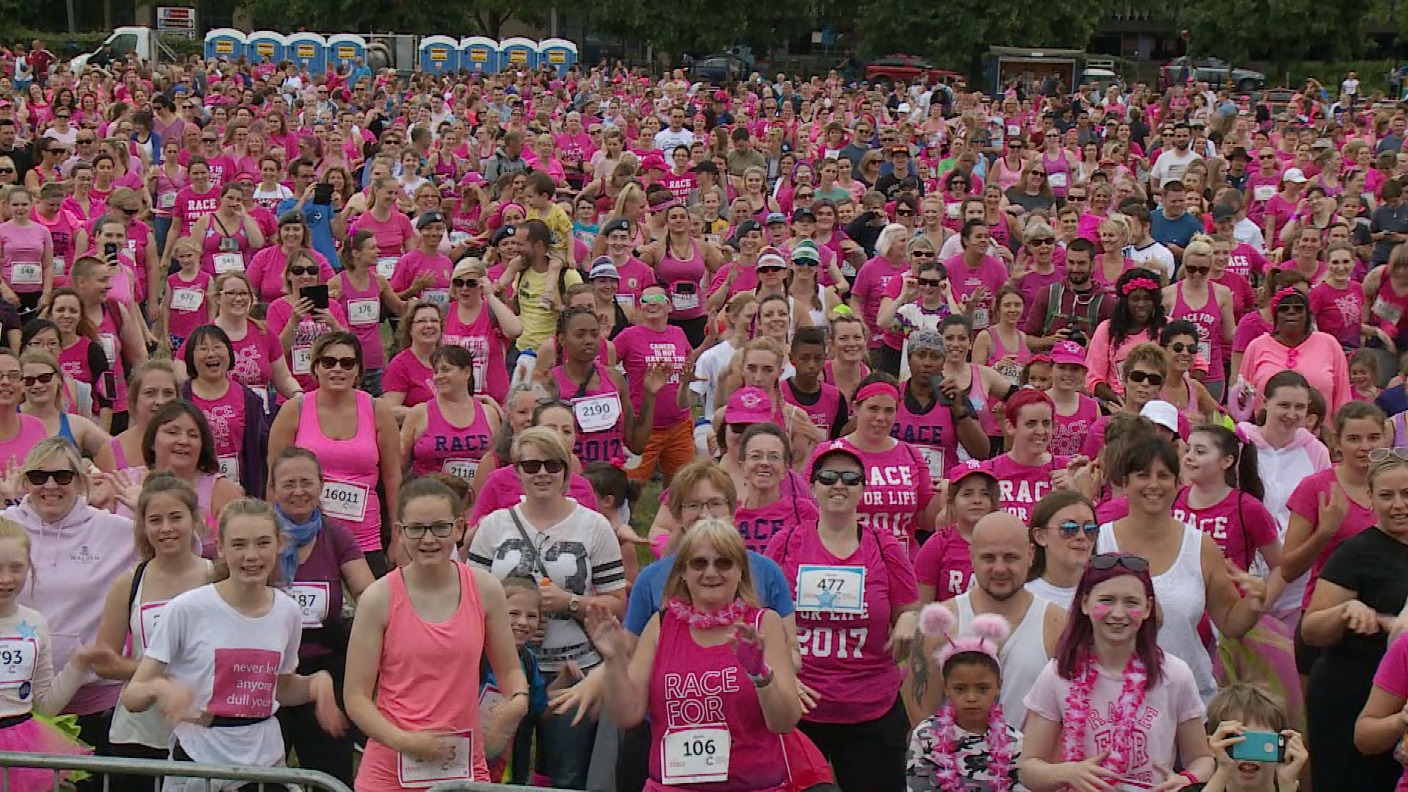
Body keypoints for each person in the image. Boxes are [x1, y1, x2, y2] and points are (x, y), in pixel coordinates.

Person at [119, 499, 347, 783]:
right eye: (239, 545)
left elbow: (278, 686)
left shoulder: (287, 611)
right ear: (222, 548)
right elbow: (133, 696)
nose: (251, 556)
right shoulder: (187, 609)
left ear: (280, 544)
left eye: (262, 543)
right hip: (201, 761)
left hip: (264, 764)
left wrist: (314, 684)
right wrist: (160, 688)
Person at [591, 518, 802, 792]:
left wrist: (760, 675)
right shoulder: (661, 625)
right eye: (699, 563)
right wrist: (614, 660)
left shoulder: (763, 624)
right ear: (683, 573)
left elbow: (784, 722)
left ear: (741, 572)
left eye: (724, 563)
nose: (711, 573)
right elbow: (627, 715)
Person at [345, 476, 529, 789]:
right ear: (400, 533)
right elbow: (356, 697)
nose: (428, 540)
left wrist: (519, 699)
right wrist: (405, 742)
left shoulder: (485, 590)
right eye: (416, 529)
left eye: (440, 528)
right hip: (392, 767)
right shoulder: (378, 598)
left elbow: (510, 669)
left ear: (459, 528)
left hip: (462, 765)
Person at [468, 427, 627, 789]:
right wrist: (509, 620)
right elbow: (470, 596)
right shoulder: (494, 526)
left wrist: (570, 602)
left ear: (566, 472)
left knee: (567, 776)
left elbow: (618, 603)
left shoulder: (594, 526)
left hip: (574, 673)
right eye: (531, 465)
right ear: (517, 471)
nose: (542, 473)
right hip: (503, 673)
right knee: (502, 772)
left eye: (552, 465)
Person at [766, 441, 918, 791]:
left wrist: (910, 619)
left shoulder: (884, 545)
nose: (839, 485)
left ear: (863, 488)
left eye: (850, 478)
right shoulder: (786, 542)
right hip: (800, 708)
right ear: (813, 485)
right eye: (828, 476)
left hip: (871, 708)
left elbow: (909, 607)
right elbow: (761, 615)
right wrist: (780, 672)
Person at [1018, 553, 1214, 790]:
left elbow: (1201, 759)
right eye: (1107, 600)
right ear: (1085, 603)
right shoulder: (1060, 673)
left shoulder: (1175, 674)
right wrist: (1067, 772)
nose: (1118, 613)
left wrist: (1185, 781)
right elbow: (1028, 769)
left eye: (1131, 602)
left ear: (1147, 608)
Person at [1097, 436, 1270, 704]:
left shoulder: (1200, 546)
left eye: (1164, 476)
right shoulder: (1099, 543)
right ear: (1125, 482)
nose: (1154, 485)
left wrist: (1255, 602)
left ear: (1178, 483)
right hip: (1113, 700)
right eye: (1143, 475)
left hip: (1187, 701)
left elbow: (1231, 624)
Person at [7, 437, 139, 758]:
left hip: (95, 700)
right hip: (18, 703)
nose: (50, 485)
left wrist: (145, 509)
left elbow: (185, 553)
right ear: (26, 482)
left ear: (80, 482)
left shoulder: (113, 528)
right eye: (38, 476)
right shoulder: (6, 526)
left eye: (62, 476)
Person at [83, 473, 212, 790]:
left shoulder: (217, 577)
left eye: (176, 518)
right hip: (138, 731)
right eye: (155, 520)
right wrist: (156, 675)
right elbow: (104, 660)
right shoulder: (129, 582)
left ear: (194, 519)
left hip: (200, 728)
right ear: (143, 526)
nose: (166, 529)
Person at [1301, 450, 1408, 790]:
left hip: (1399, 700)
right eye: (1387, 496)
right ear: (1371, 500)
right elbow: (1310, 630)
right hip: (1349, 695)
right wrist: (1345, 612)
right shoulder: (1355, 552)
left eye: (1407, 494)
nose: (1398, 505)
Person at [270, 448, 375, 784]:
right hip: (266, 670)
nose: (298, 491)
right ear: (273, 489)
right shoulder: (259, 536)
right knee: (264, 776)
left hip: (324, 669)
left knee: (331, 774)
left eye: (306, 482)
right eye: (288, 483)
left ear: (321, 486)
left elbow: (368, 594)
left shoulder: (335, 536)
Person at [907, 511, 1067, 730]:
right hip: (951, 760)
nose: (1000, 569)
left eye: (1010, 557)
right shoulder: (942, 624)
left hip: (1030, 760)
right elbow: (920, 717)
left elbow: (1069, 717)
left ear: (1031, 555)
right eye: (988, 558)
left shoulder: (1058, 625)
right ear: (971, 556)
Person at [268, 332, 401, 575]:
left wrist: (397, 535)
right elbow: (273, 480)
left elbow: (393, 479)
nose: (337, 369)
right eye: (328, 362)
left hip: (365, 536)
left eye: (347, 363)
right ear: (315, 368)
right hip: (304, 535)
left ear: (359, 370)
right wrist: (269, 534)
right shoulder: (293, 410)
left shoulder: (377, 410)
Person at [0, 515, 92, 792]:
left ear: (29, 567)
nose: (5, 579)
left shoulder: (35, 623)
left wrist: (79, 665)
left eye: (16, 568)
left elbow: (43, 706)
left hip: (23, 744)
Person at [906, 607, 1022, 791]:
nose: (971, 698)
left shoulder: (1014, 742)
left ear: (999, 685)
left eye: (983, 688)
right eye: (960, 689)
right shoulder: (925, 735)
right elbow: (916, 786)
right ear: (946, 687)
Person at [822, 373, 938, 555]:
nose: (881, 417)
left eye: (889, 410)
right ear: (856, 408)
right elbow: (811, 512)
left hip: (902, 562)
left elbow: (925, 521)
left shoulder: (911, 454)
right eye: (873, 409)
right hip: (849, 562)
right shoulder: (830, 454)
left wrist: (945, 495)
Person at [1235, 286, 1352, 417]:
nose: (1291, 312)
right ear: (1275, 316)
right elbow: (1241, 396)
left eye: (1298, 309)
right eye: (1284, 309)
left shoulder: (1329, 344)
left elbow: (1343, 398)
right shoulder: (1256, 346)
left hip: (1319, 433)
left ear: (1308, 315)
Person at [181, 324, 268, 497]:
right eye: (203, 349)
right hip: (191, 490)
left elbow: (260, 452)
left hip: (239, 491)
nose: (211, 354)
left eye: (217, 347)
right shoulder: (181, 396)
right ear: (191, 356)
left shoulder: (249, 399)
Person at [400, 345, 502, 482]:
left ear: (466, 372)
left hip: (475, 497)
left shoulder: (489, 413)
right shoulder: (419, 413)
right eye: (436, 372)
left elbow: (497, 462)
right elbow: (400, 463)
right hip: (429, 495)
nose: (439, 377)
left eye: (446, 370)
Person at [915, 461, 999, 603]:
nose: (977, 500)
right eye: (967, 494)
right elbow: (922, 606)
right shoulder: (938, 545)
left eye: (985, 494)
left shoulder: (1006, 542)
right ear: (952, 501)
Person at [17, 349, 113, 468]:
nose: (37, 385)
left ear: (59, 379)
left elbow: (118, 451)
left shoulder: (77, 425)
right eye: (29, 381)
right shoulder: (7, 421)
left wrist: (88, 467)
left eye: (45, 378)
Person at [1205, 683, 1309, 792]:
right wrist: (1222, 771)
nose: (1250, 757)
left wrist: (1287, 786)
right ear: (1212, 745)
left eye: (1260, 742)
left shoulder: (1288, 788)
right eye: (1238, 740)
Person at [1026, 490, 1099, 611]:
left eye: (1090, 529)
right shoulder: (1022, 595)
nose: (1082, 536)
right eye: (1069, 528)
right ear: (1040, 536)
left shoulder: (1105, 594)